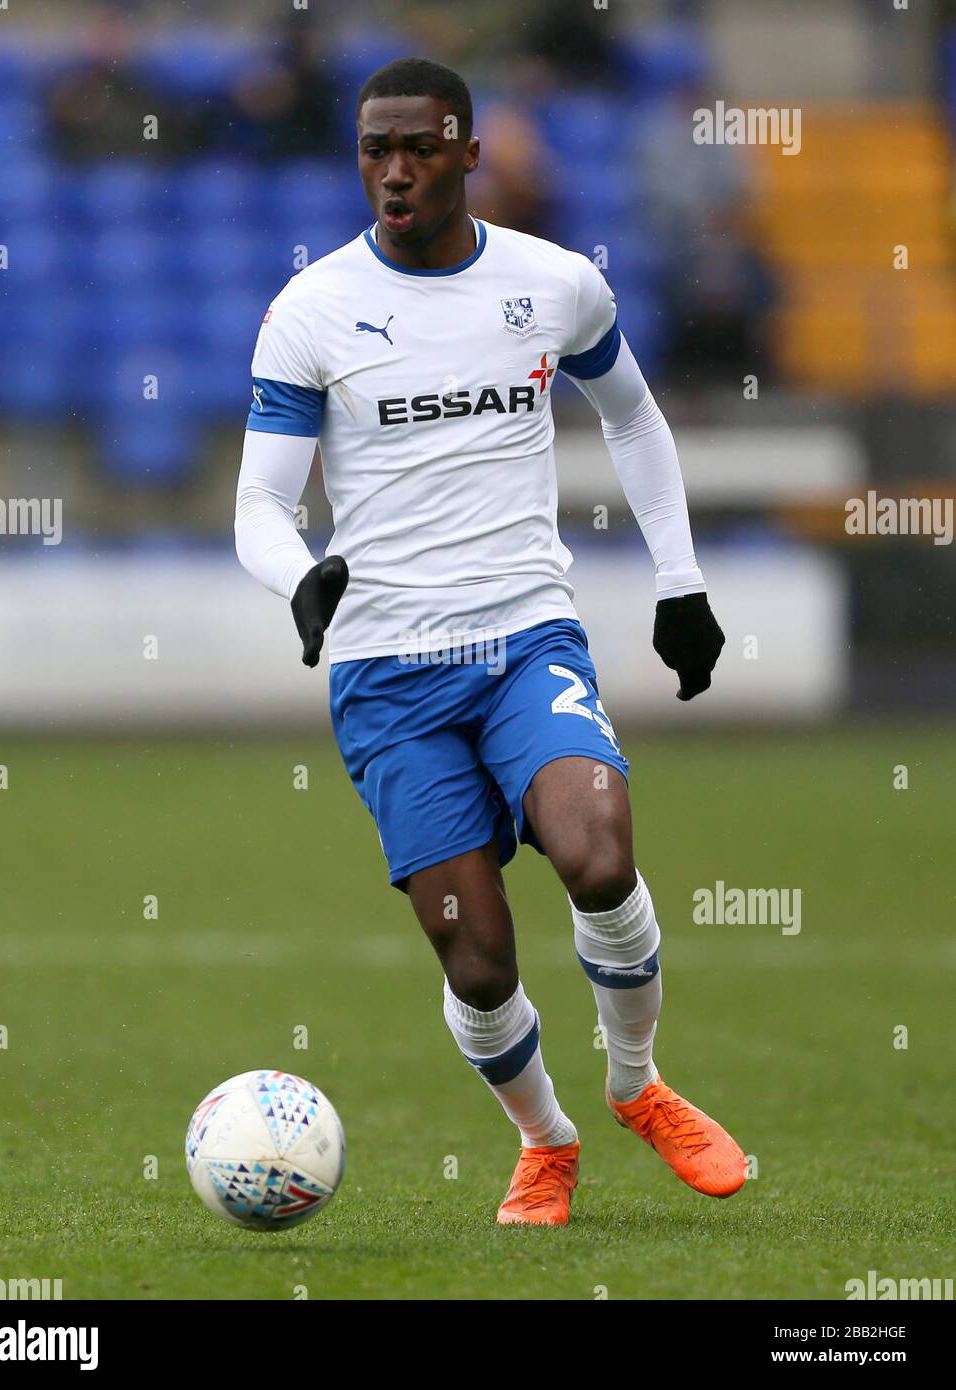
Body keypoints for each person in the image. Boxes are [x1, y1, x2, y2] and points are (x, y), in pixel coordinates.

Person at [234, 57, 745, 1225]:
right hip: (387, 672)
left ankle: (636, 1085)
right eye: (374, 149)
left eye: (419, 146)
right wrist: (298, 576)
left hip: (524, 638)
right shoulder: (310, 310)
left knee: (599, 851)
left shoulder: (553, 284)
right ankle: (545, 1138)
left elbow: (632, 413)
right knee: (479, 959)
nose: (395, 171)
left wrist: (680, 579)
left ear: (470, 152)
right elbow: (259, 504)